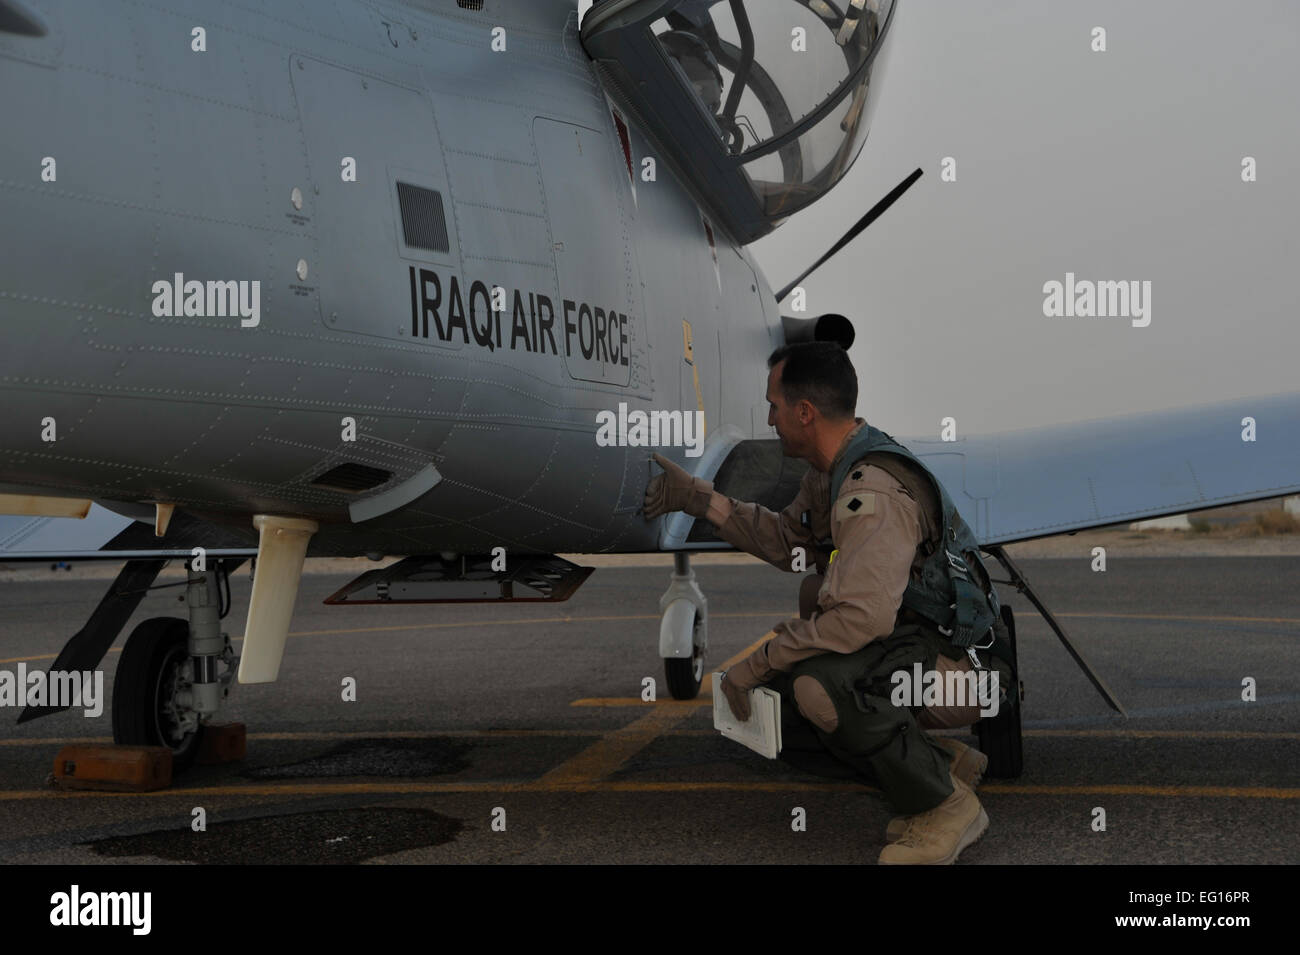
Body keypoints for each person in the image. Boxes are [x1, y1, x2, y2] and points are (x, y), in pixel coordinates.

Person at [643, 341, 1012, 864]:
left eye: (773, 405)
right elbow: (789, 542)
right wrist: (701, 499)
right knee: (781, 708)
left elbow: (861, 617)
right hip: (910, 645)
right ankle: (938, 763)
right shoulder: (828, 474)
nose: (768, 418)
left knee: (820, 690)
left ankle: (945, 808)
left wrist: (758, 660)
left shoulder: (871, 491)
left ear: (805, 412)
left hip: (967, 668)